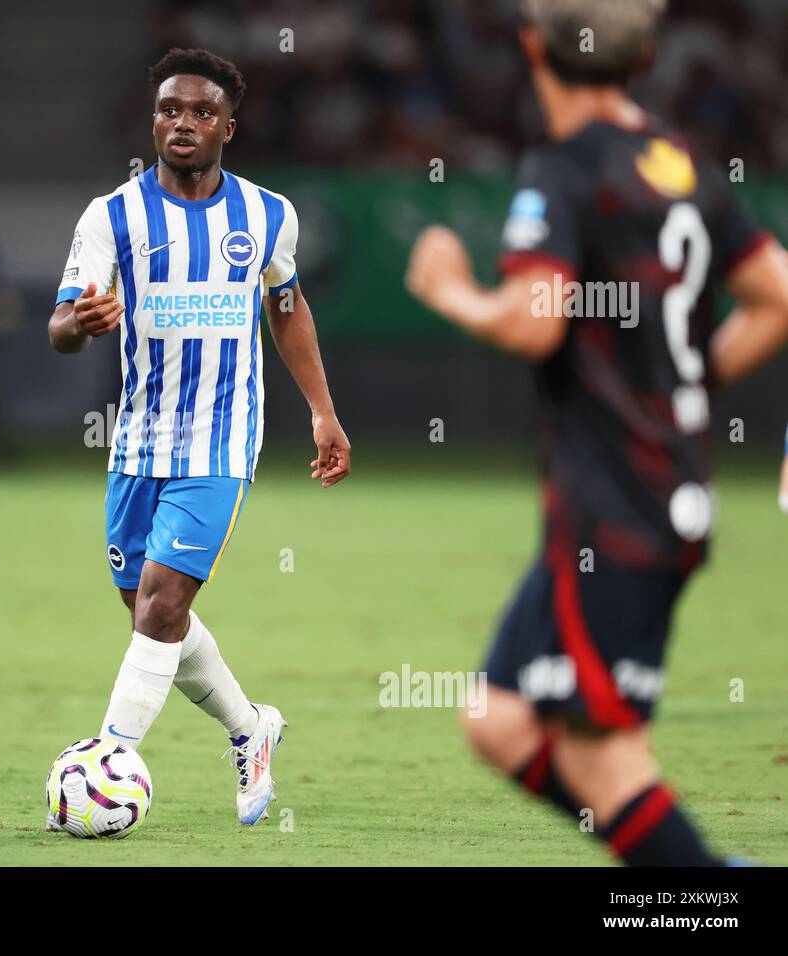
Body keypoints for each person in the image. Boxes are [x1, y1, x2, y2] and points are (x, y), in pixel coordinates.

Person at [406, 0, 788, 864]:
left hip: (618, 507)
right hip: (648, 494)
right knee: (500, 722)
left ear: (533, 48)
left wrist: (452, 291)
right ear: (646, 55)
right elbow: (777, 294)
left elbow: (537, 322)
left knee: (604, 760)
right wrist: (683, 379)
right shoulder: (678, 162)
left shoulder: (566, 167)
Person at [47, 48, 351, 826]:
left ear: (228, 127)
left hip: (221, 440)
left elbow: (286, 307)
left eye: (200, 112)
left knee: (161, 602)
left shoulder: (267, 214)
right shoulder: (109, 215)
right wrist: (78, 323)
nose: (182, 123)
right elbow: (60, 326)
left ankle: (107, 761)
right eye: (169, 110)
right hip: (139, 440)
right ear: (154, 121)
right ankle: (253, 730)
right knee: (150, 611)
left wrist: (322, 409)